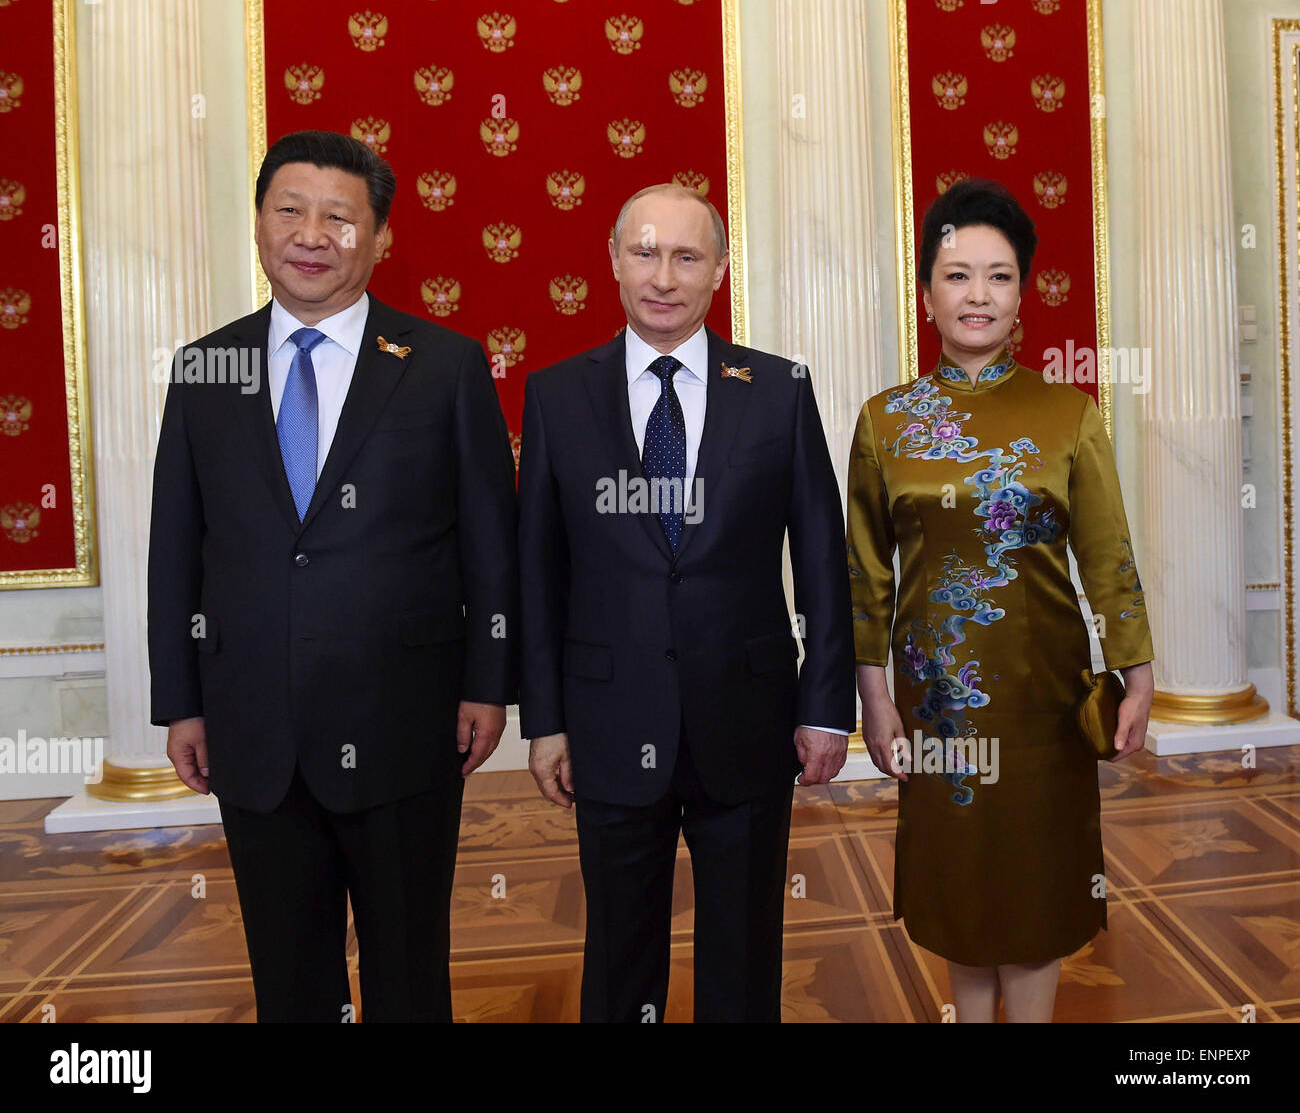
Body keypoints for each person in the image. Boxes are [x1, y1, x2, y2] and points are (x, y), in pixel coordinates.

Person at [147, 129, 519, 1022]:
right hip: (251, 722)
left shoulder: (443, 364)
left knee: (408, 967)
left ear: (380, 237)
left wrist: (489, 684)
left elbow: (490, 542)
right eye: (290, 210)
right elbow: (175, 546)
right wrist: (181, 700)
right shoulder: (207, 369)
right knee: (286, 972)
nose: (311, 234)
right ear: (261, 225)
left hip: (407, 717)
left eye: (339, 218)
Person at [518, 183, 856, 1022]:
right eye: (644, 252)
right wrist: (546, 721)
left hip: (748, 717)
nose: (662, 276)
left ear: (719, 271)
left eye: (686, 256)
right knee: (618, 953)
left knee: (743, 955)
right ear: (613, 262)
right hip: (606, 719)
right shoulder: (558, 396)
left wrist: (826, 707)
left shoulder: (778, 390)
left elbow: (821, 559)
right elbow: (537, 571)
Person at [846, 177, 1155, 1023]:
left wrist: (1137, 675)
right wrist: (875, 702)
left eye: (999, 275)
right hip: (937, 702)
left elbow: (1107, 555)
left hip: (1043, 699)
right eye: (957, 275)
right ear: (926, 293)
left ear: (1023, 294)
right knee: (961, 891)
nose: (977, 295)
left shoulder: (1068, 414)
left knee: (1035, 889)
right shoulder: (886, 423)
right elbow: (866, 578)